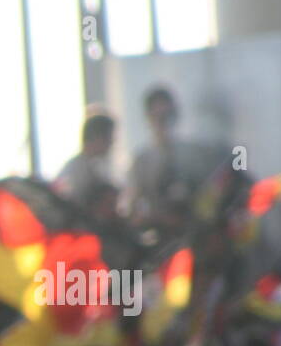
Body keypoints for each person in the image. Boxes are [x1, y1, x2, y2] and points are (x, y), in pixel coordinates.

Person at [124, 86, 224, 239]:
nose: (164, 122)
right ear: (149, 117)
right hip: (160, 237)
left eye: (168, 116)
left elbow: (211, 192)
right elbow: (133, 204)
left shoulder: (194, 154)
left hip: (195, 233)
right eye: (159, 117)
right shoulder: (142, 161)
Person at [54, 111, 117, 214]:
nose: (112, 143)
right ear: (97, 138)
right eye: (109, 137)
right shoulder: (76, 169)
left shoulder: (96, 166)